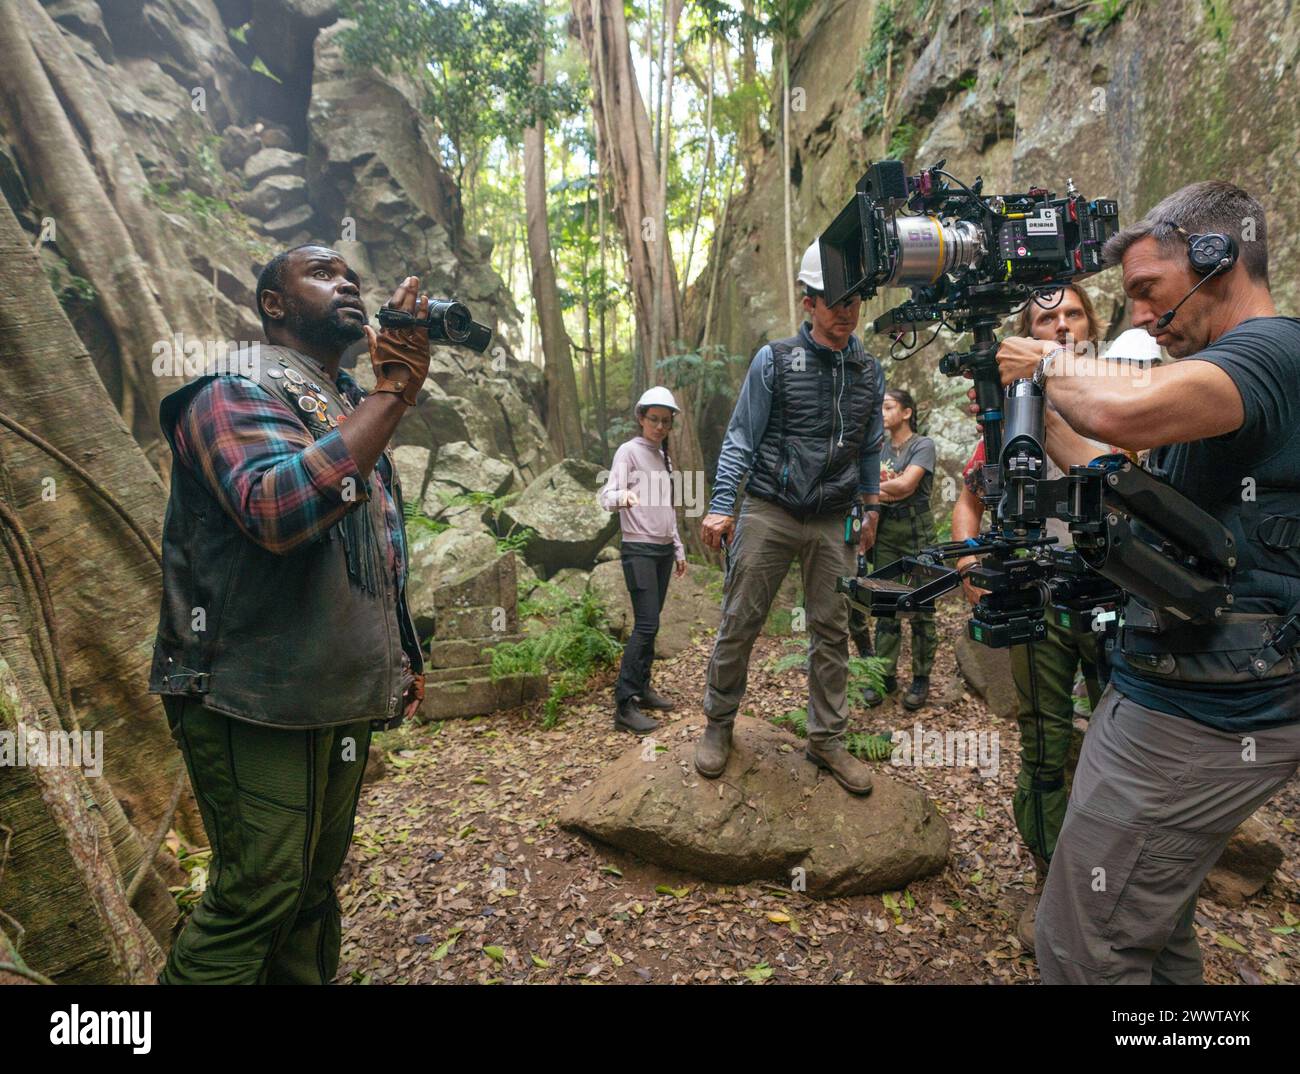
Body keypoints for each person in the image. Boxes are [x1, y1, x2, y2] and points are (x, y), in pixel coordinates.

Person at [992, 182, 1300, 984]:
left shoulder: (1273, 354)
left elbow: (1121, 414)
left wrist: (1047, 362)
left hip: (1205, 716)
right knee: (1152, 931)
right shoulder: (1212, 383)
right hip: (1169, 693)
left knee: (1080, 947)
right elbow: (1131, 485)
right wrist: (1034, 414)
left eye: (1146, 292)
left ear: (1216, 258)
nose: (1138, 318)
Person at [149, 243, 434, 983]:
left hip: (330, 694)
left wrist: (402, 656)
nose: (346, 283)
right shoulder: (231, 387)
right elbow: (276, 510)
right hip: (251, 694)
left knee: (310, 891)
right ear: (273, 304)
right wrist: (393, 393)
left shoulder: (344, 402)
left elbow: (378, 542)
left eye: (353, 277)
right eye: (322, 272)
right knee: (258, 894)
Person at [950, 282, 1109, 953]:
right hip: (1041, 593)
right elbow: (970, 495)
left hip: (1118, 595)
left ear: (1093, 324)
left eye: (1073, 313)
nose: (1063, 324)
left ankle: (1113, 893)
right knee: (1044, 744)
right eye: (1047, 318)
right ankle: (1049, 884)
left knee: (1123, 749)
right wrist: (968, 567)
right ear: (1025, 337)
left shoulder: (1131, 387)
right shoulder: (1013, 410)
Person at [694, 240, 884, 794]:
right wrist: (722, 504)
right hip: (770, 510)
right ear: (809, 302)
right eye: (833, 301)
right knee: (741, 620)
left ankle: (826, 740)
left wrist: (869, 507)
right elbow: (740, 437)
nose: (845, 311)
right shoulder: (775, 360)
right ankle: (718, 723)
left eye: (854, 300)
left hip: (833, 518)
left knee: (831, 629)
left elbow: (870, 448)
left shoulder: (868, 372)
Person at [598, 386, 688, 734]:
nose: (660, 426)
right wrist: (626, 495)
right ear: (641, 418)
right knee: (646, 624)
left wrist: (678, 547)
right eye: (654, 419)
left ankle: (644, 688)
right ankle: (624, 704)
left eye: (666, 421)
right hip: (638, 550)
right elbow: (606, 498)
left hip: (663, 550)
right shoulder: (629, 452)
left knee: (653, 622)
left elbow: (666, 506)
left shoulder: (663, 456)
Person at [862, 388, 939, 710]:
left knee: (921, 607)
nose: (882, 412)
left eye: (889, 407)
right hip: (885, 532)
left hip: (917, 532)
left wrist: (872, 489)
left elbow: (906, 486)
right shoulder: (877, 448)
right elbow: (884, 489)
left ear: (906, 412)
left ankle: (921, 678)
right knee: (885, 605)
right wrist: (883, 492)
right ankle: (883, 675)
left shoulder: (922, 445)